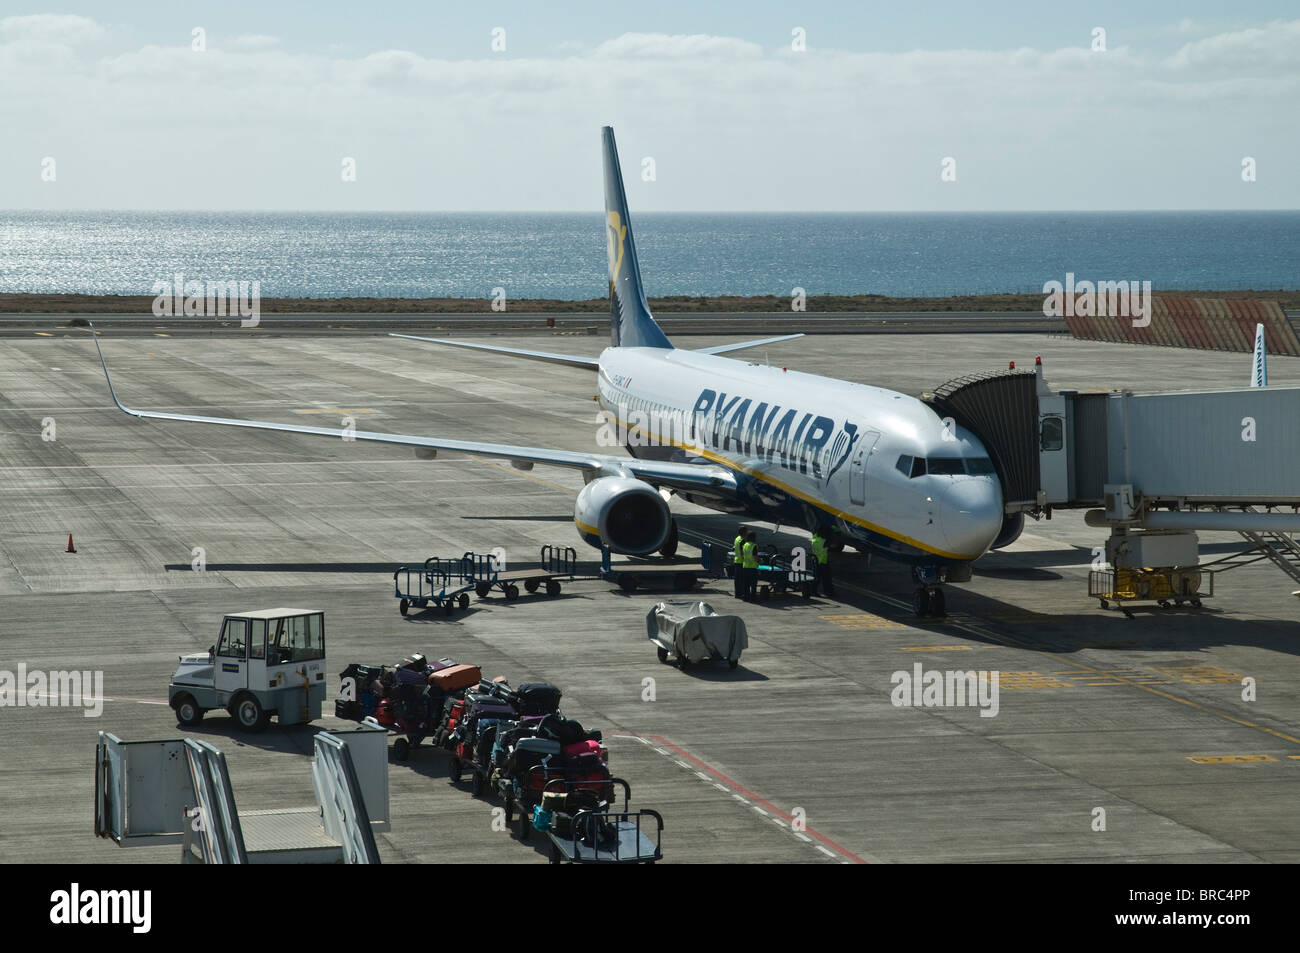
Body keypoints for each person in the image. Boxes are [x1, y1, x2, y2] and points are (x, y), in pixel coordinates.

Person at [811, 526, 834, 597]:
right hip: (823, 562)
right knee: (826, 578)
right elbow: (833, 545)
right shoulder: (824, 542)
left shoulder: (815, 538)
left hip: (815, 561)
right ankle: (828, 592)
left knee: (816, 578)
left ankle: (813, 591)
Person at [741, 531, 760, 601]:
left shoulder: (745, 545)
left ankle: (746, 597)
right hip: (753, 567)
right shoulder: (754, 545)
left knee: (746, 584)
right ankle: (753, 598)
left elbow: (743, 555)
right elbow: (755, 557)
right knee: (753, 584)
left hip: (745, 566)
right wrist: (760, 560)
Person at [732, 529, 746, 599]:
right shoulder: (742, 540)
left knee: (737, 580)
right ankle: (742, 594)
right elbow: (741, 552)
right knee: (742, 579)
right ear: (743, 532)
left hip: (736, 561)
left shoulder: (737, 538)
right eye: (746, 531)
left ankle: (737, 594)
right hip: (741, 562)